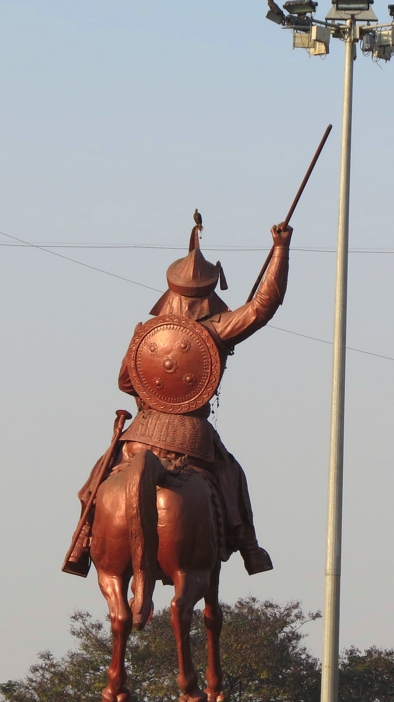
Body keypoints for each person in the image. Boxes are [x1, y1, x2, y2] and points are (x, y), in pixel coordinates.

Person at [114, 212, 290, 574]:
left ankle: (83, 539)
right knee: (231, 474)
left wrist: (152, 398)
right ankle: (249, 546)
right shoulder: (217, 329)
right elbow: (263, 306)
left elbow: (126, 382)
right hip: (191, 435)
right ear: (210, 290)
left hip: (141, 432)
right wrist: (280, 250)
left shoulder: (148, 331)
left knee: (101, 479)